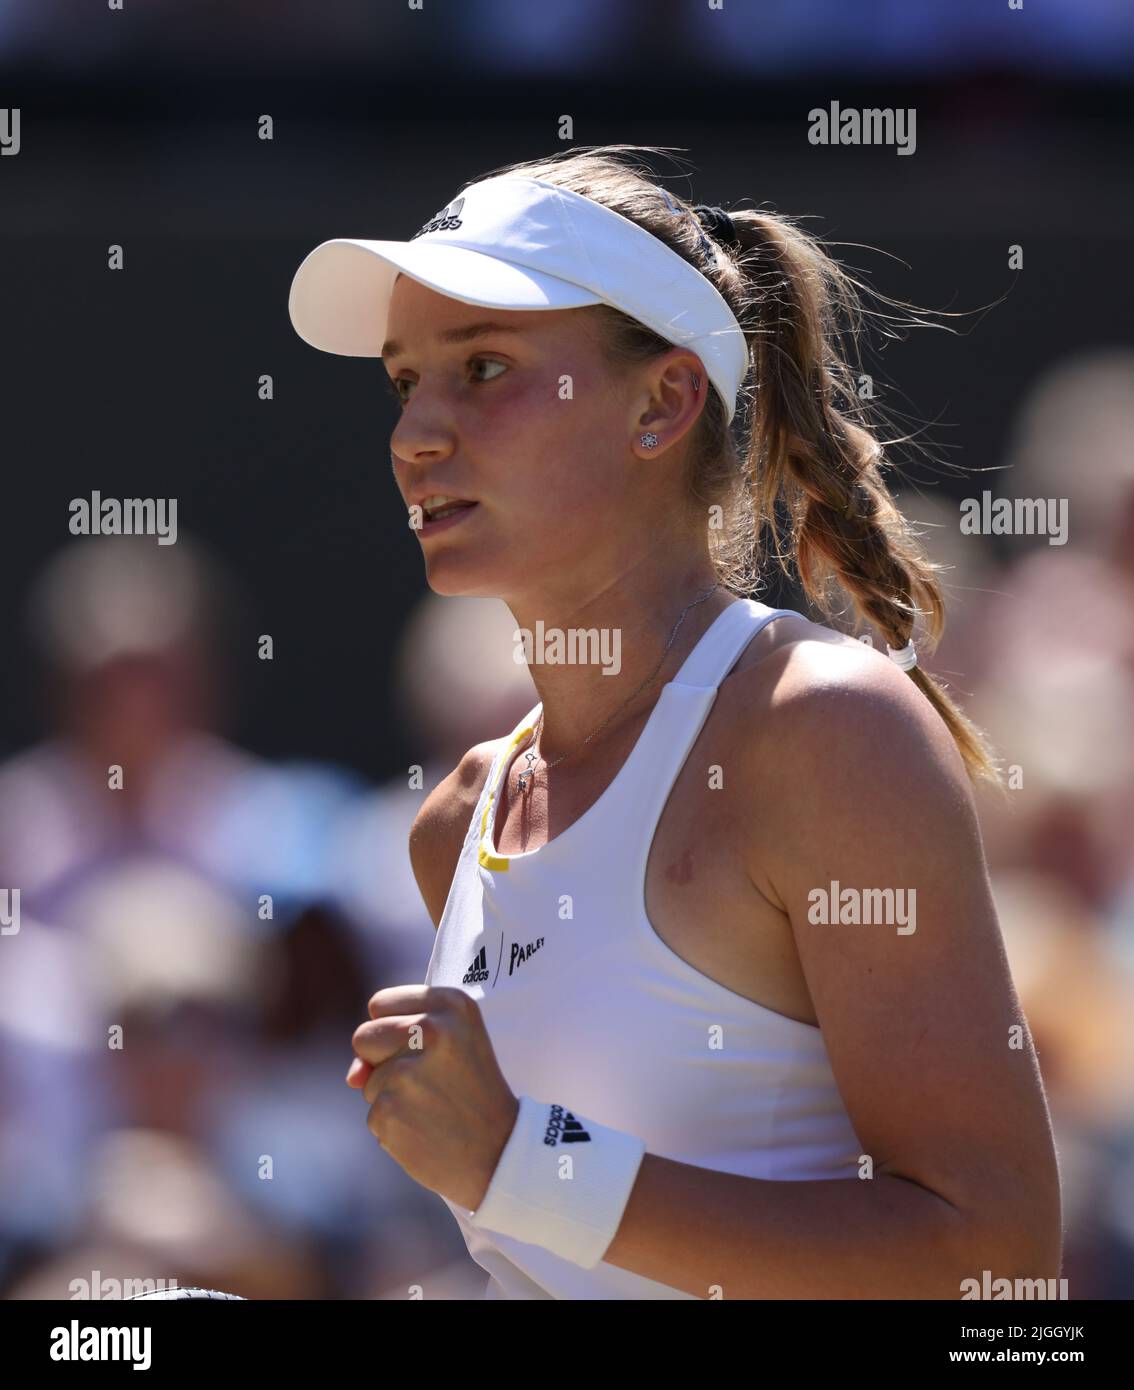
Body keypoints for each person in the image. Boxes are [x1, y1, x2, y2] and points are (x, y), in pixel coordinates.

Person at [288, 144, 1062, 1300]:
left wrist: (519, 1162)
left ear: (661, 402)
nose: (416, 436)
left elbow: (995, 1263)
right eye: (405, 382)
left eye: (485, 368)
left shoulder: (826, 732)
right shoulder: (453, 825)